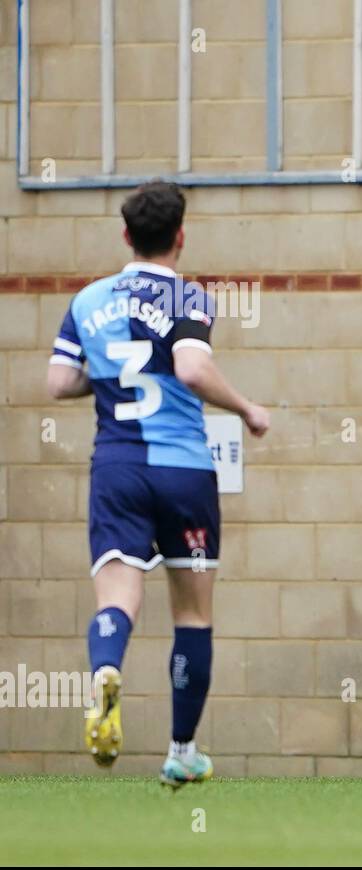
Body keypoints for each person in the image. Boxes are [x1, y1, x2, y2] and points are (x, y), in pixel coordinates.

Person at [48, 179, 271, 788]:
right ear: (180, 236)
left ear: (125, 235)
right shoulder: (190, 298)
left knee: (117, 600)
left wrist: (111, 378)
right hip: (184, 469)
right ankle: (181, 750)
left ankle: (105, 672)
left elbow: (59, 383)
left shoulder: (88, 300)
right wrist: (247, 408)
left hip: (116, 467)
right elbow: (192, 366)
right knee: (192, 616)